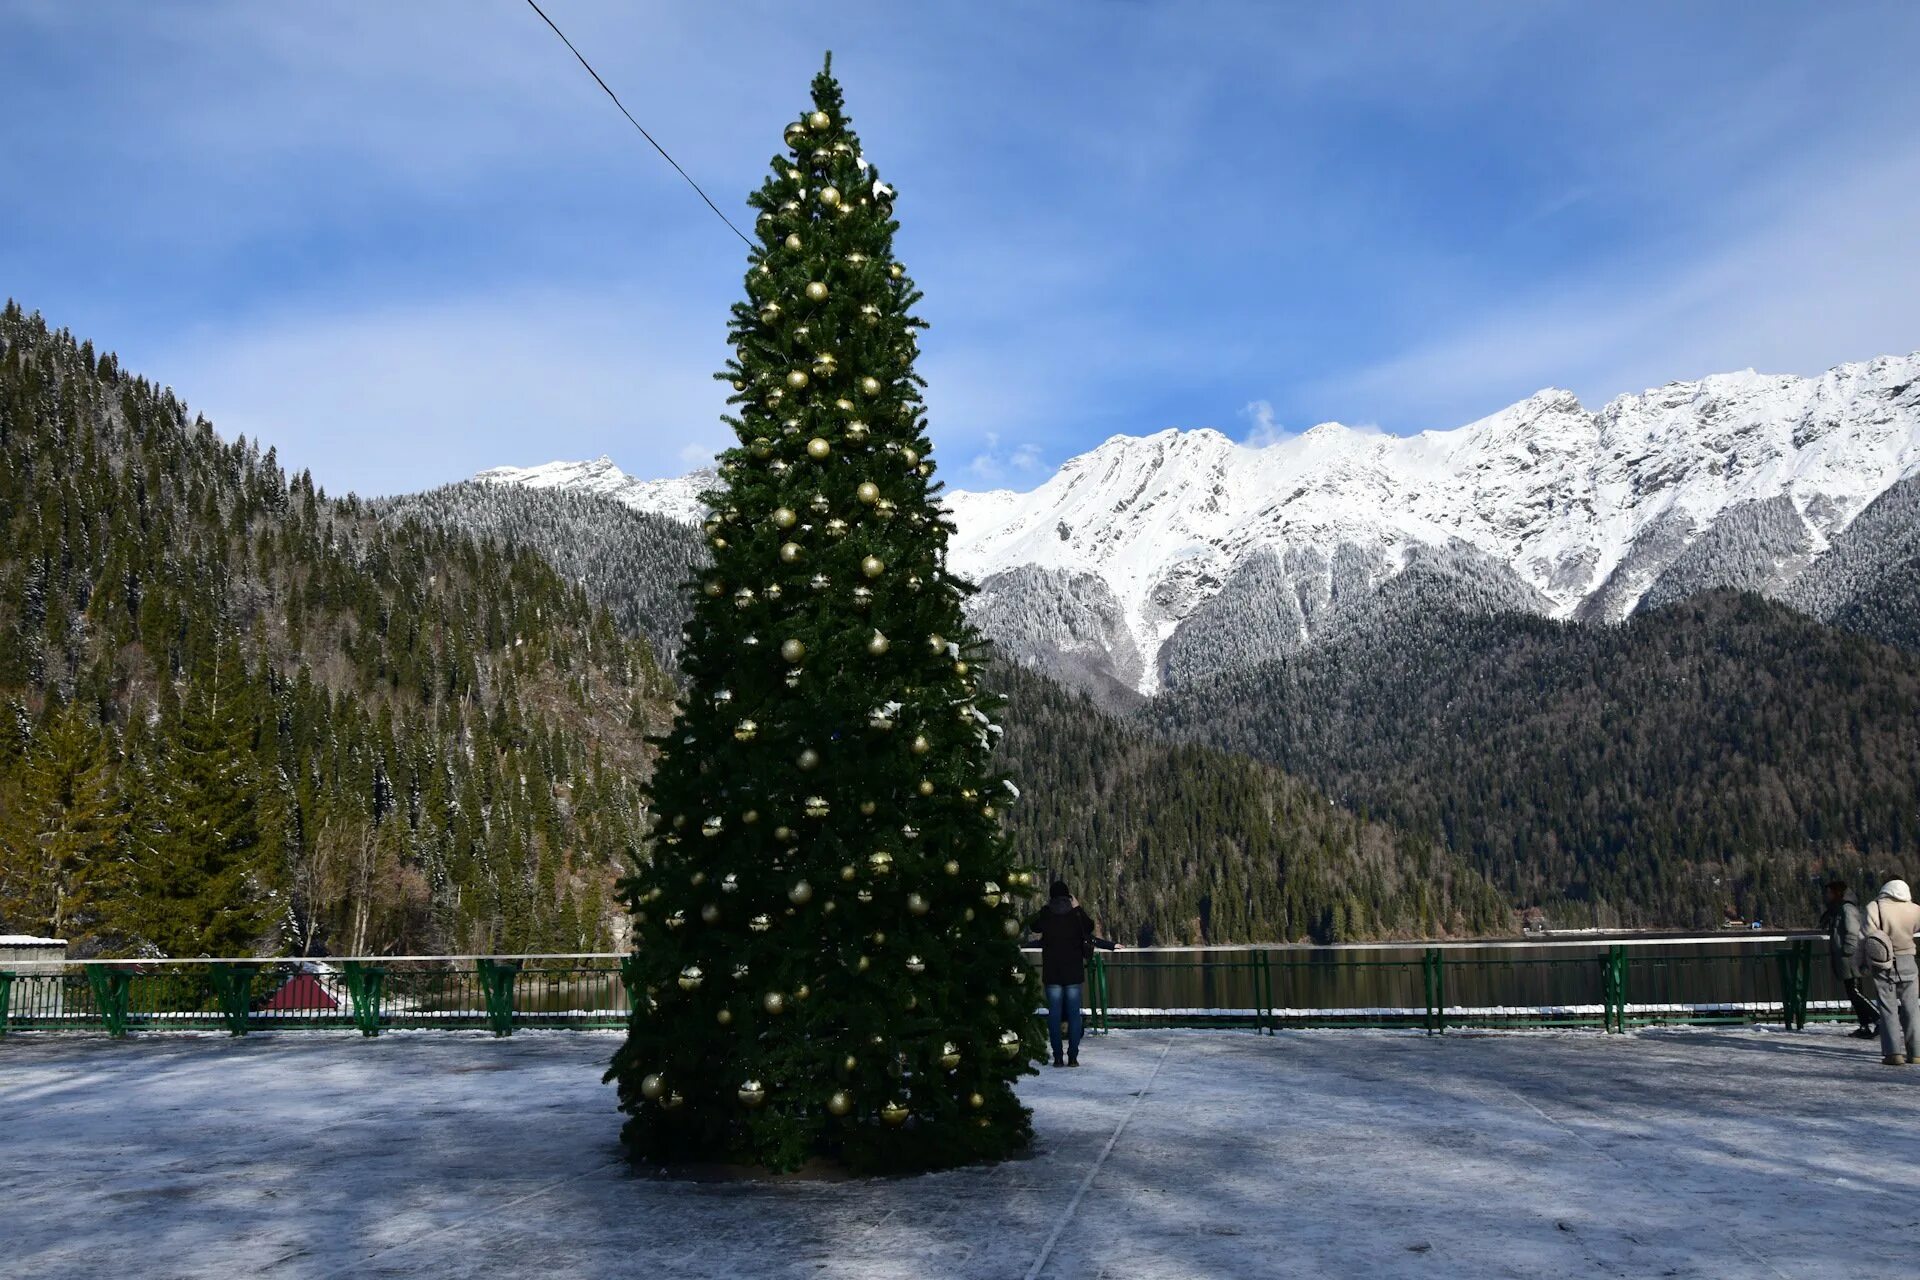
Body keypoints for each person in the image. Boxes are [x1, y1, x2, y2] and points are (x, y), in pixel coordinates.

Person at [1027, 879, 1118, 1068]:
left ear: (1051, 896)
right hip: (1073, 973)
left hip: (1052, 972)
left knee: (1054, 1015)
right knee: (1074, 1015)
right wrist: (1077, 907)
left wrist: (1046, 907)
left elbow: (1034, 926)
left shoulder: (1046, 913)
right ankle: (1073, 1057)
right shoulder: (1075, 915)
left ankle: (1058, 1057)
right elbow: (1089, 927)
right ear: (1068, 895)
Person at [1866, 879, 1920, 1065]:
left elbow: (1865, 936)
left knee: (1888, 1008)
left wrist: (1859, 963)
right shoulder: (1915, 909)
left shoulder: (1875, 907)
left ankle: (1893, 1054)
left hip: (1883, 962)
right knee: (1912, 1007)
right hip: (1908, 961)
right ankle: (1916, 1053)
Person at [1821, 878, 1878, 1038]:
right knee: (1853, 991)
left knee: (1855, 991)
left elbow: (1853, 931)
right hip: (1845, 957)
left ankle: (1878, 1018)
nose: (1827, 896)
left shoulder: (1847, 909)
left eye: (1829, 892)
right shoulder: (1838, 909)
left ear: (1836, 893)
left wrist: (1848, 950)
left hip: (1850, 957)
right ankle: (1865, 1026)